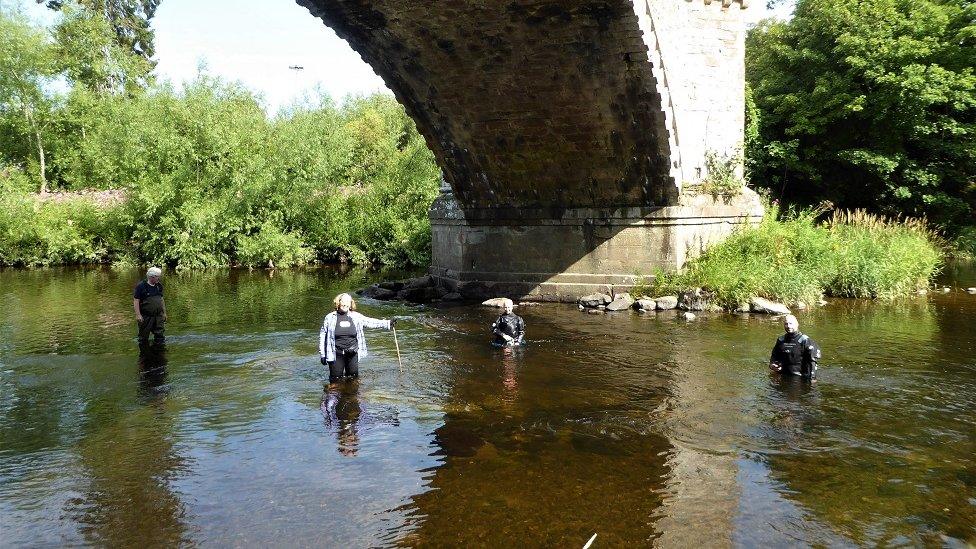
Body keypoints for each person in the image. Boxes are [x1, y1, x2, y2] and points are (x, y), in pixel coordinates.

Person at [319, 293, 395, 383]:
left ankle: (351, 397)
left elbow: (370, 322)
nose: (345, 304)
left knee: (353, 379)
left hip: (352, 352)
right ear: (338, 302)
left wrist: (387, 323)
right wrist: (322, 354)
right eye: (343, 301)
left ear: (351, 304)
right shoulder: (329, 317)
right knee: (335, 381)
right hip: (336, 353)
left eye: (348, 302)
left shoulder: (356, 316)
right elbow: (323, 335)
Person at [769, 314, 821, 378]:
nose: (788, 326)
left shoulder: (805, 340)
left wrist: (813, 379)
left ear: (797, 324)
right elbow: (774, 356)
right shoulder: (781, 340)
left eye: (791, 323)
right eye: (786, 324)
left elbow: (812, 362)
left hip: (800, 377)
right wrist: (772, 365)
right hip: (783, 375)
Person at [133, 267, 167, 344]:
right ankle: (145, 354)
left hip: (158, 316)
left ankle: (159, 353)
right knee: (143, 338)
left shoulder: (159, 286)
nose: (159, 279)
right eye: (158, 277)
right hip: (146, 317)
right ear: (152, 277)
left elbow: (161, 300)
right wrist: (138, 315)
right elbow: (136, 300)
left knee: (160, 337)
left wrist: (164, 313)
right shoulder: (141, 286)